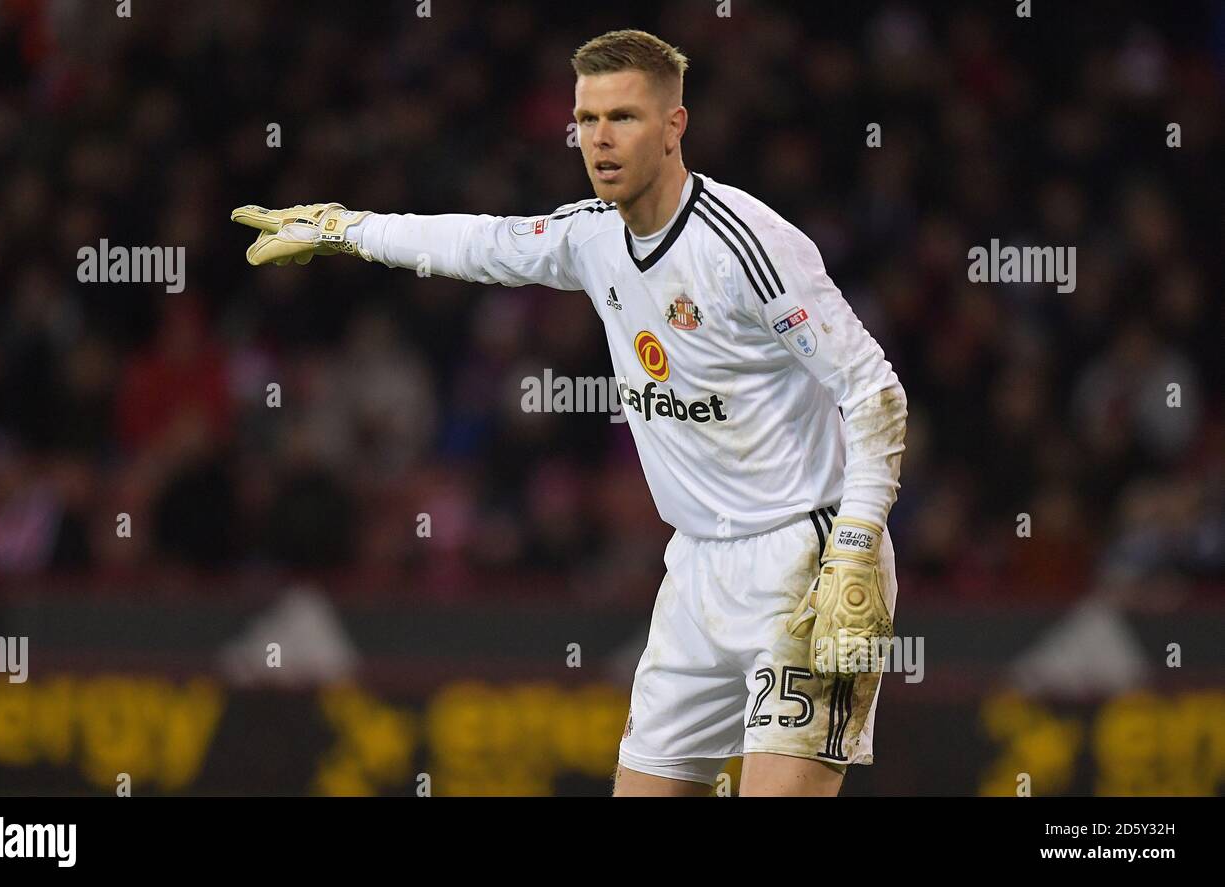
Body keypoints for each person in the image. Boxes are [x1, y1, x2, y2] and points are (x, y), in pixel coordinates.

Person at [232, 28, 907, 797]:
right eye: (586, 120)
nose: (600, 139)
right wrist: (344, 229)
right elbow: (482, 243)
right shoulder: (594, 237)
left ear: (675, 127)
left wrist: (855, 544)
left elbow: (874, 388)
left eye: (623, 117)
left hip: (808, 559)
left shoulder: (748, 245)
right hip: (695, 572)